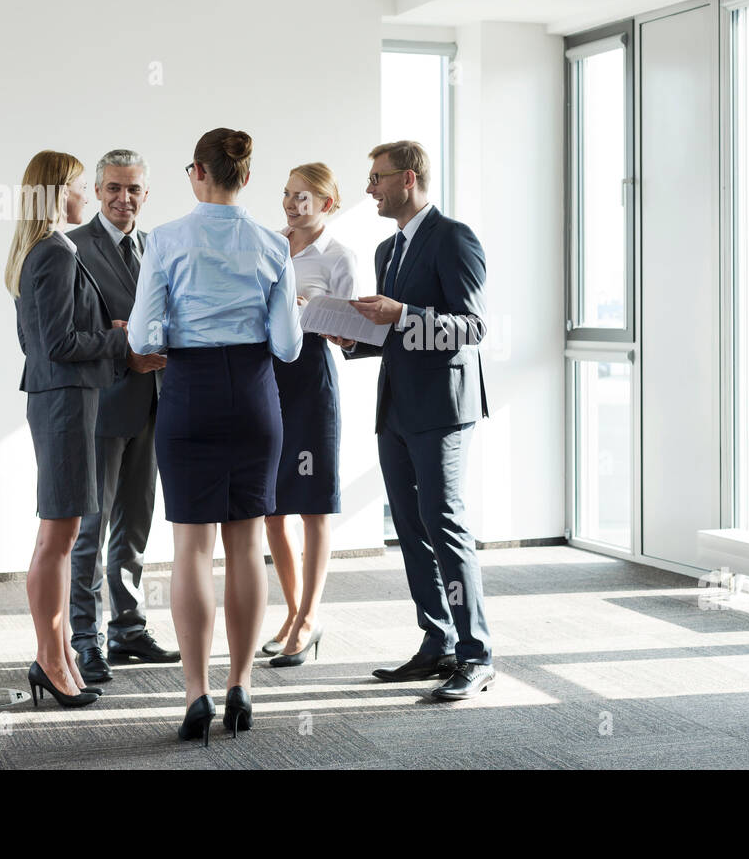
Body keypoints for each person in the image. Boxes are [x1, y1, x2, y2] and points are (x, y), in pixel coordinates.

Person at [127, 127, 302, 745]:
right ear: (246, 178)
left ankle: (195, 693)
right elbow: (287, 345)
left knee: (192, 550)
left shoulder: (166, 239)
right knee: (247, 543)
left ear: (195, 172)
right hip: (254, 396)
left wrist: (174, 324)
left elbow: (144, 337)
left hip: (190, 395)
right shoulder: (270, 245)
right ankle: (242, 686)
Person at [327, 140, 493, 701]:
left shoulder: (454, 237)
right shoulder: (385, 250)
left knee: (443, 523)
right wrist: (355, 339)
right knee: (409, 526)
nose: (369, 188)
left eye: (377, 178)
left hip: (443, 408)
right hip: (395, 406)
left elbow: (471, 328)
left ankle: (476, 654)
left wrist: (404, 314)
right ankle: (437, 642)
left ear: (409, 178)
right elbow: (397, 334)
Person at [6, 150, 133, 709]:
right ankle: (51, 659)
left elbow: (37, 341)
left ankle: (56, 654)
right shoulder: (57, 252)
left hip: (61, 399)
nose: (86, 193)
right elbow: (56, 345)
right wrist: (119, 341)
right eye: (81, 184)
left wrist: (103, 330)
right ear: (60, 191)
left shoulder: (41, 250)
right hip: (64, 404)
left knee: (53, 536)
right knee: (58, 539)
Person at [67, 149, 179, 683]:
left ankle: (128, 628)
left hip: (156, 400)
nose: (123, 198)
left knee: (135, 524)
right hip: (104, 403)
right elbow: (70, 330)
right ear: (97, 190)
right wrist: (118, 335)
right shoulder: (74, 248)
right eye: (113, 188)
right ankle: (85, 639)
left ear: (145, 194)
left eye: (133, 189)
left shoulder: (157, 245)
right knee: (91, 528)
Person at [262, 163, 357, 666]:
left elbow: (351, 327)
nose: (294, 205)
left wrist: (311, 309)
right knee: (272, 508)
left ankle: (309, 616)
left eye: (306, 197)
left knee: (313, 504)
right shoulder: (270, 246)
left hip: (310, 380)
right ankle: (294, 610)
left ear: (327, 205)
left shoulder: (339, 255)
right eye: (289, 194)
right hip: (269, 377)